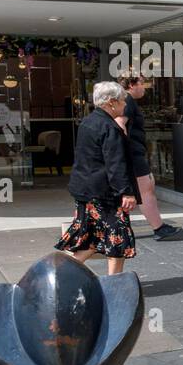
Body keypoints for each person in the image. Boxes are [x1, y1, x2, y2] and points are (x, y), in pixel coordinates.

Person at [55, 81, 138, 274]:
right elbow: (115, 164)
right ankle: (114, 283)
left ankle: (63, 274)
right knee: (116, 239)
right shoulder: (109, 127)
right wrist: (126, 192)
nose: (125, 104)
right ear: (111, 102)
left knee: (91, 240)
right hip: (105, 194)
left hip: (87, 189)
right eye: (122, 100)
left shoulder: (89, 121)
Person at [120, 72, 179, 239]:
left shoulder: (126, 101)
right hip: (132, 154)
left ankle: (157, 227)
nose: (144, 87)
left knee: (145, 189)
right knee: (146, 190)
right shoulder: (127, 102)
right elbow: (119, 124)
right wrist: (123, 150)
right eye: (142, 82)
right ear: (132, 85)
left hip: (131, 153)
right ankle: (159, 228)